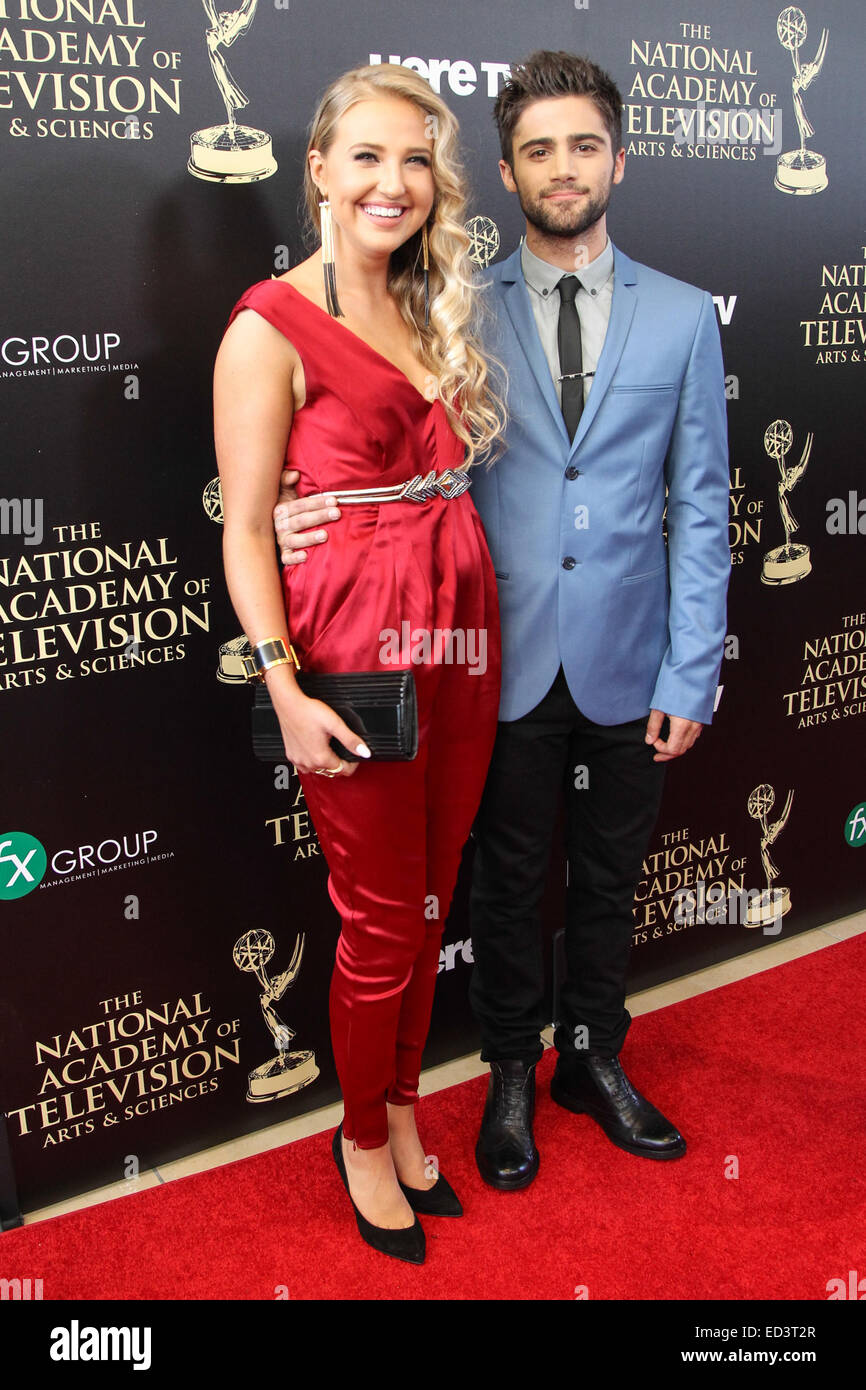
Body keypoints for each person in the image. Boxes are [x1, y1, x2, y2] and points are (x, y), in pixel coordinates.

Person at [274, 51, 730, 1191]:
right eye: (537, 149)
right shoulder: (443, 309)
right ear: (510, 171)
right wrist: (301, 515)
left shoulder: (682, 318)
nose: (562, 168)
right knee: (502, 883)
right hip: (488, 656)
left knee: (611, 879)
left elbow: (701, 503)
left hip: (632, 660)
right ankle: (513, 1075)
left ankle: (593, 1059)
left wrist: (691, 669)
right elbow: (384, 456)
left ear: (616, 160)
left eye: (583, 146)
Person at [213, 62, 504, 1263]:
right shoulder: (265, 324)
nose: (394, 182)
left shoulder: (429, 302)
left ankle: (403, 1103)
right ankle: (359, 1134)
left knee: (434, 893)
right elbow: (241, 527)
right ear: (320, 173)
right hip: (355, 637)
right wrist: (281, 688)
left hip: (461, 617)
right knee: (380, 917)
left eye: (416, 160)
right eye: (369, 157)